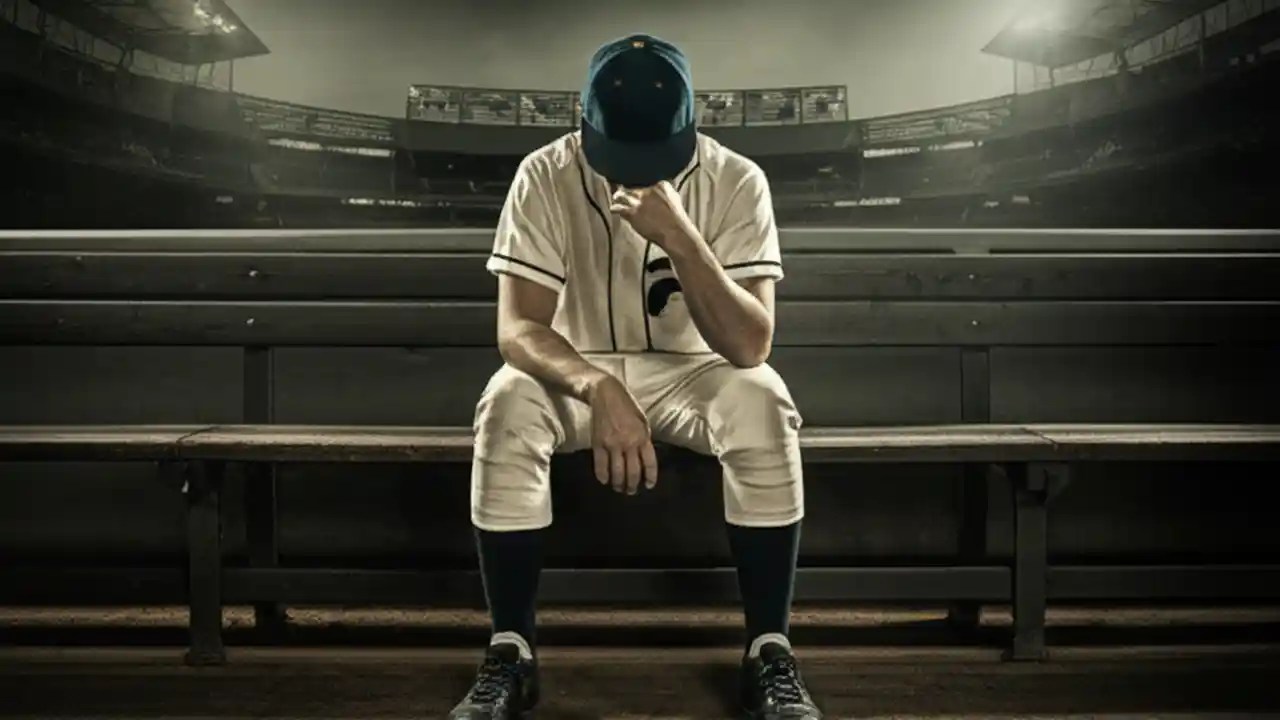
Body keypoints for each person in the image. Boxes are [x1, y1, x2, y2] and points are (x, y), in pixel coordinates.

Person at [449, 33, 821, 720]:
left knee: (764, 399)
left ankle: (769, 650)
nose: (634, 173)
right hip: (577, 374)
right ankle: (510, 651)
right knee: (506, 402)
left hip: (695, 373)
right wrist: (598, 386)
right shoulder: (544, 173)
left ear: (691, 124)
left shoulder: (738, 179)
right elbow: (519, 328)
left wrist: (681, 236)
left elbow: (750, 345)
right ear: (583, 120)